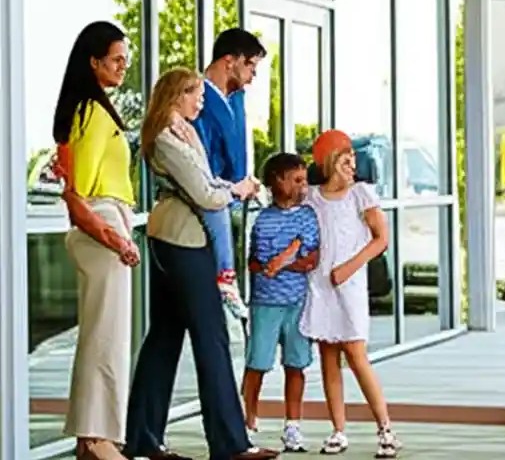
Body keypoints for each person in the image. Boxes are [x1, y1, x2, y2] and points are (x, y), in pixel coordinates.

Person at [122, 67, 278, 460]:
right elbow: (206, 195)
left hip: (172, 242)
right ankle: (230, 445)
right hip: (183, 243)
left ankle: (143, 438)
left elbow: (206, 186)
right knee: (211, 339)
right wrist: (239, 188)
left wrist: (228, 189)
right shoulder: (167, 138)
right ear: (177, 95)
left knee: (163, 339)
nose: (201, 101)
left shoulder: (180, 133)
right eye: (196, 95)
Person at [52, 21, 141, 460]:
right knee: (105, 339)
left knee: (105, 336)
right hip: (102, 224)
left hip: (109, 223)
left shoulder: (95, 108)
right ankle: (96, 438)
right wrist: (114, 238)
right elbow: (77, 196)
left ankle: (94, 440)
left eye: (125, 59)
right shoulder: (89, 110)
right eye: (117, 59)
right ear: (93, 61)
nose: (124, 66)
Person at [299, 130, 401, 457]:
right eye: (344, 160)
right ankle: (338, 430)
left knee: (357, 356)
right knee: (329, 358)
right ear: (329, 162)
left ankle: (385, 428)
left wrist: (349, 267)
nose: (351, 166)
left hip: (350, 285)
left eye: (353, 160)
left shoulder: (361, 194)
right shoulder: (312, 197)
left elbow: (380, 239)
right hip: (321, 285)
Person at [242, 152, 320, 452]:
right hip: (264, 303)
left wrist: (284, 262)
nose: (303, 187)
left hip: (297, 302)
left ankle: (293, 426)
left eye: (305, 181)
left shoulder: (308, 216)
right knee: (257, 364)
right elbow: (254, 262)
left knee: (296, 364)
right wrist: (274, 263)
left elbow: (311, 258)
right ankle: (248, 422)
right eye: (297, 181)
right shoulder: (262, 220)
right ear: (278, 181)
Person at [191, 28, 267, 321]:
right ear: (229, 60)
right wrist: (233, 188)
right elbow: (201, 160)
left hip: (235, 198)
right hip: (211, 201)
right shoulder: (198, 99)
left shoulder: (236, 99)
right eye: (250, 65)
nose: (253, 75)